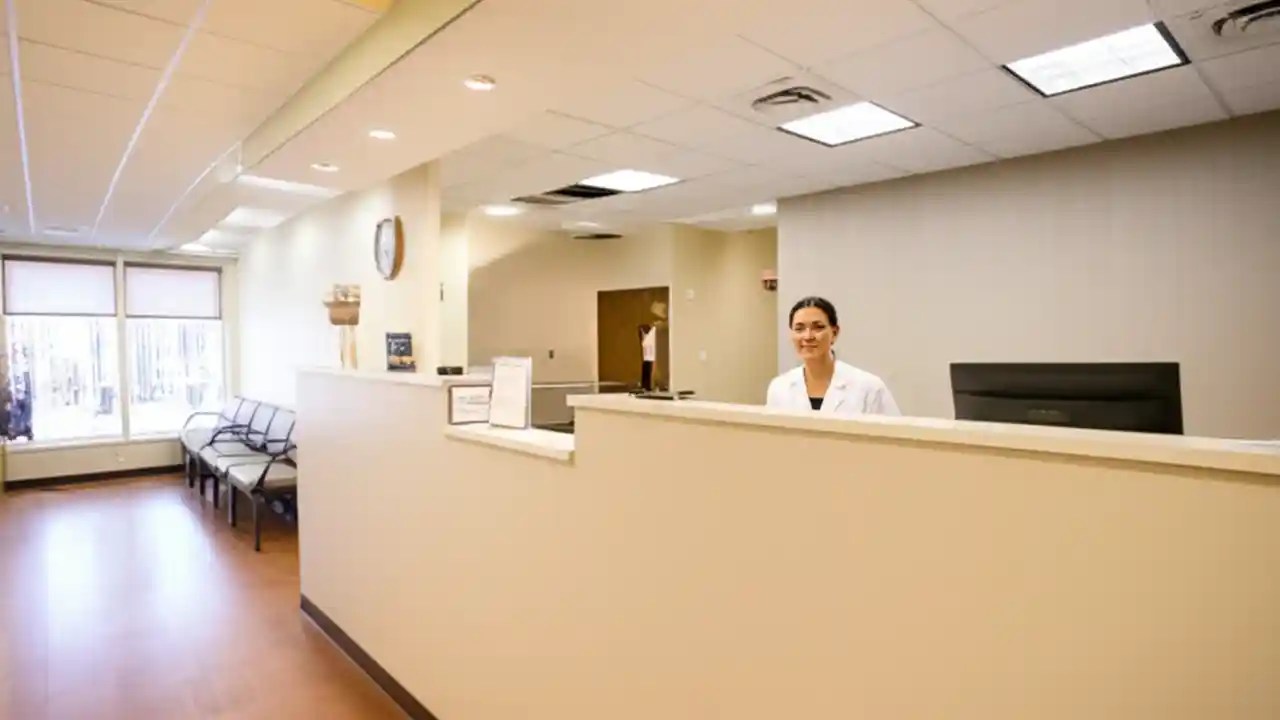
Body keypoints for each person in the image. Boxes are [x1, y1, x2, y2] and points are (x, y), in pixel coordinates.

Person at [766, 296, 900, 416]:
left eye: (818, 327)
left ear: (834, 333)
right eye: (799, 329)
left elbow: (893, 433)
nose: (808, 336)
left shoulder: (869, 388)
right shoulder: (779, 388)